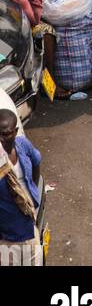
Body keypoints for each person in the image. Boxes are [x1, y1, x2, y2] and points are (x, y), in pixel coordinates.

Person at [0, 108, 42, 267]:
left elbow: (36, 161)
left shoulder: (23, 145)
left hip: (29, 229)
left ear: (15, 132)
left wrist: (32, 195)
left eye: (6, 134)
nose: (1, 139)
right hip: (7, 238)